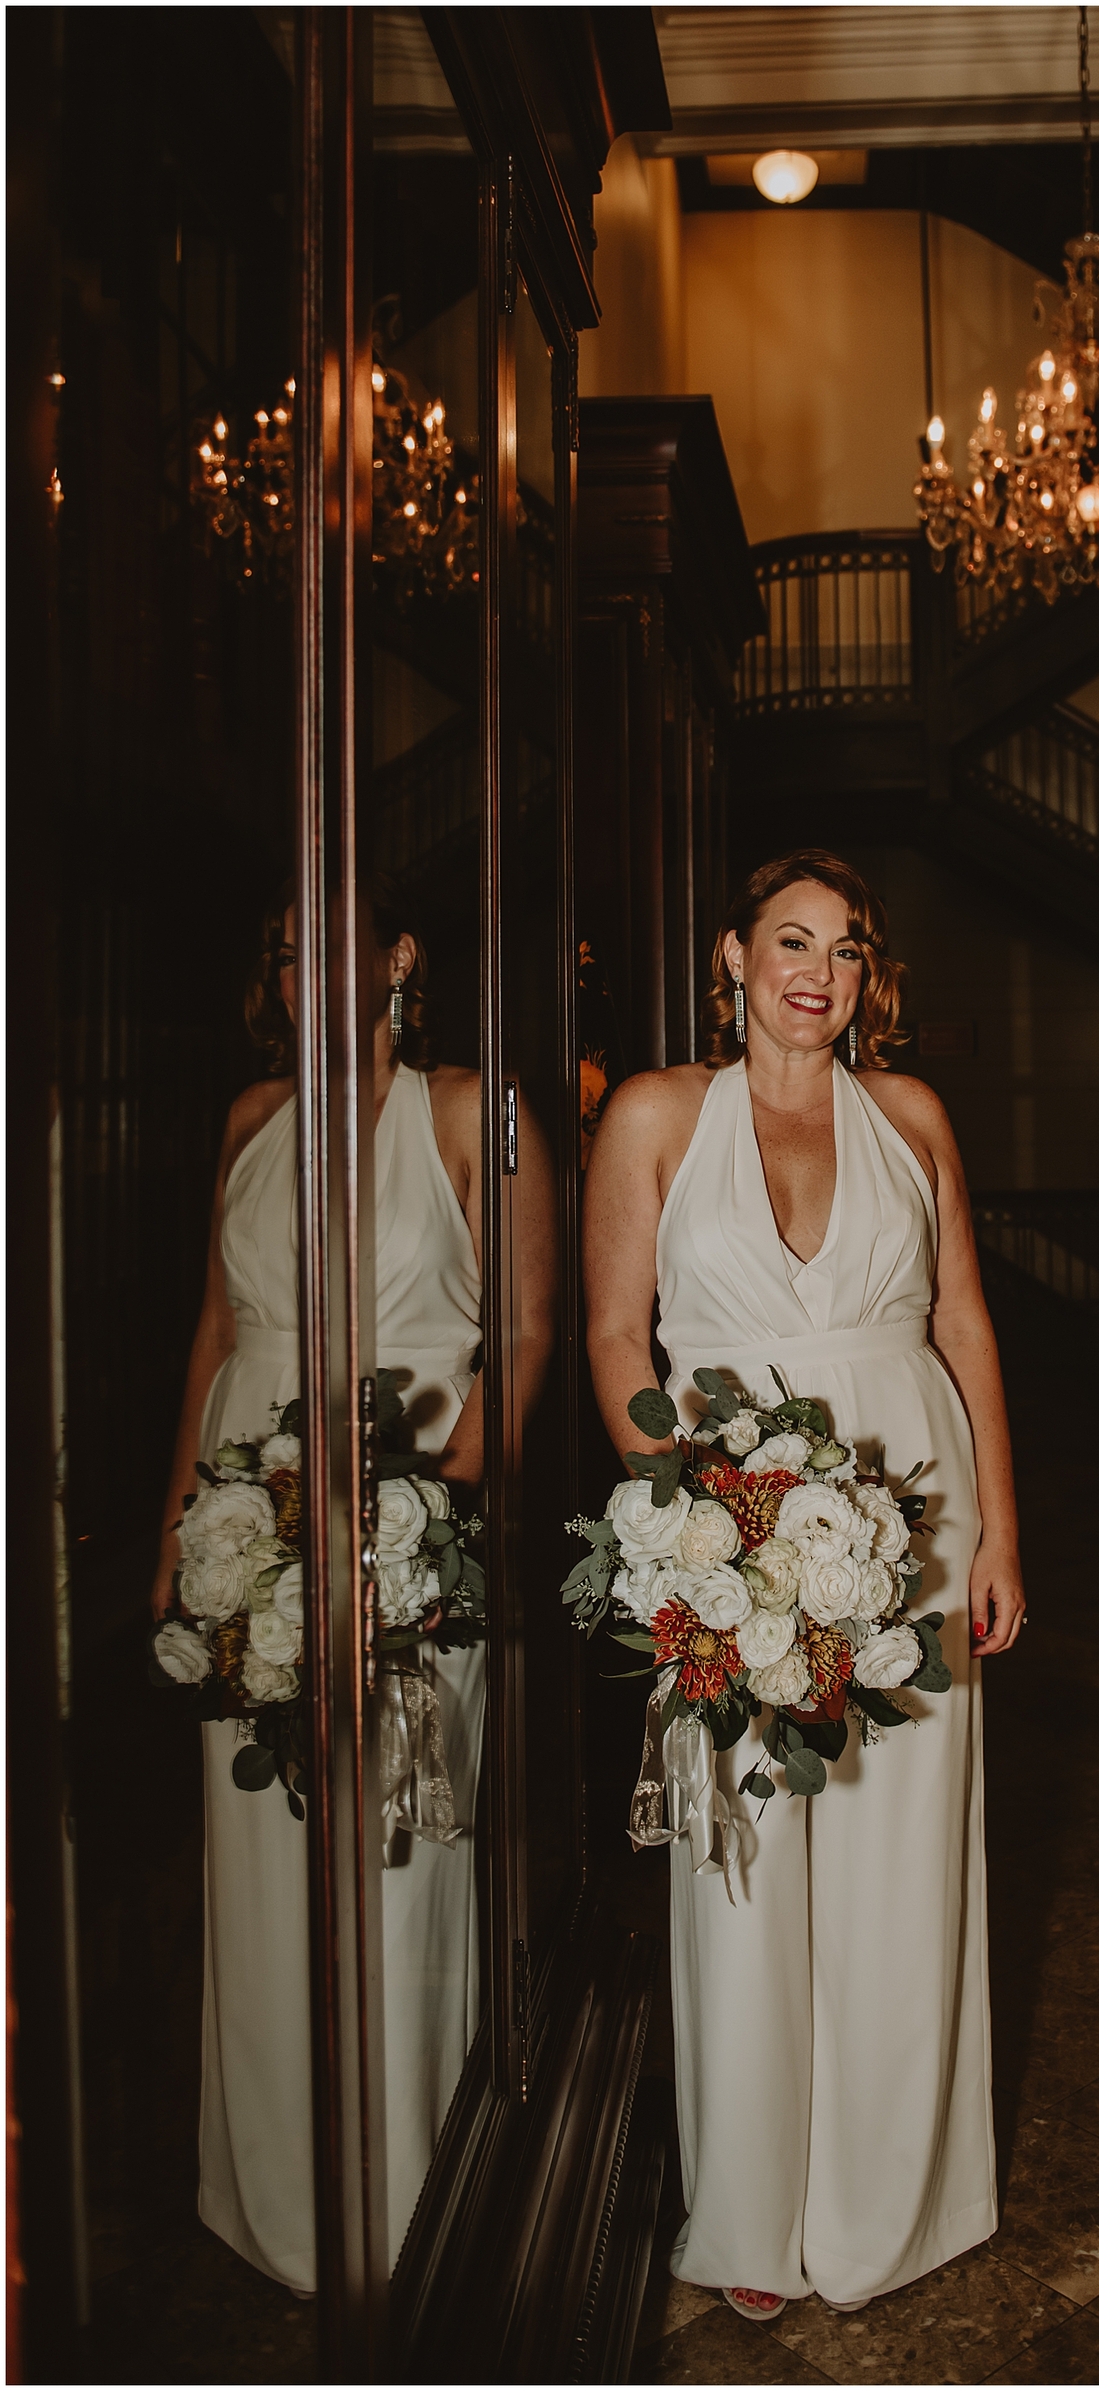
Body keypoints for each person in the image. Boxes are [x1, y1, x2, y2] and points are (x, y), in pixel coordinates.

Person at [583, 847, 1025, 2318]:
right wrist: (688, 1524)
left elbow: (962, 1321)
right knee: (750, 1871)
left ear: (865, 975)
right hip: (733, 1536)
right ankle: (757, 2204)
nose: (814, 973)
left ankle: (887, 2195)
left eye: (842, 949)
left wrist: (1002, 1534)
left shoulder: (910, 1117)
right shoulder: (655, 1113)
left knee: (903, 1864)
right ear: (733, 954)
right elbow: (610, 1339)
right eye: (789, 939)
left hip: (918, 1523)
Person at [152, 886, 498, 2294]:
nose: (300, 967)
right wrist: (184, 1535)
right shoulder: (250, 1119)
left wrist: (442, 1521)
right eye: (282, 945)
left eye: (330, 942)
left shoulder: (468, 1110)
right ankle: (278, 2194)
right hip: (249, 1528)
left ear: (399, 961)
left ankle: (413, 2182)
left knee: (398, 1854)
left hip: (408, 1517)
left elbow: (519, 1337)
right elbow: (219, 1329)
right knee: (263, 1864)